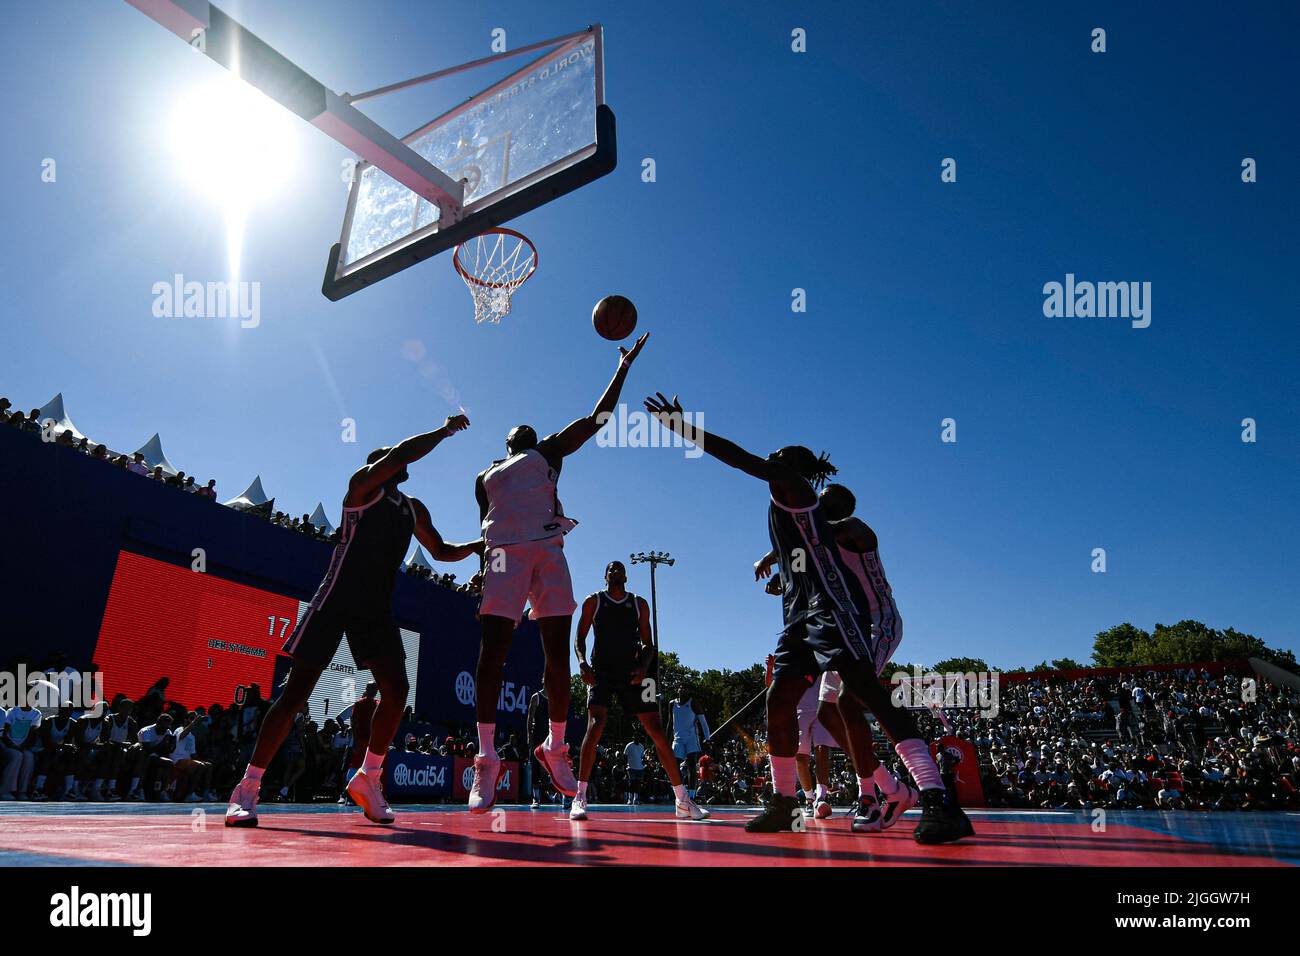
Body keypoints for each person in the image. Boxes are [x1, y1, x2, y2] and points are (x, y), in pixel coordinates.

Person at [642, 392, 970, 843]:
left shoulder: (793, 488)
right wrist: (782, 576)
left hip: (832, 611)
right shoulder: (792, 510)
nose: (772, 457)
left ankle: (934, 798)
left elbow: (743, 460)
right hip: (799, 615)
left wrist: (684, 427)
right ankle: (783, 802)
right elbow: (800, 556)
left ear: (792, 468)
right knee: (780, 701)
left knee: (866, 695)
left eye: (779, 457)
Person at [226, 415, 482, 827]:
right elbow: (400, 453)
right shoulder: (362, 487)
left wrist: (478, 545)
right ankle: (247, 787)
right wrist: (444, 430)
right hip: (336, 599)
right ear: (380, 465)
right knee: (296, 694)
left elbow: (440, 550)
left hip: (375, 609)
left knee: (397, 692)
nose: (396, 461)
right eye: (388, 459)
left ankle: (369, 777)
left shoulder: (412, 508)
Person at [468, 333, 649, 813]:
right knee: (493, 654)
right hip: (504, 554)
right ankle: (486, 759)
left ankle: (556, 746)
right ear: (508, 443)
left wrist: (623, 368)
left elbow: (597, 420)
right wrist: (481, 568)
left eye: (529, 432)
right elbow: (485, 528)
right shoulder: (485, 476)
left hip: (548, 550)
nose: (524, 434)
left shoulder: (548, 453)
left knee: (556, 656)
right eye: (518, 434)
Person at [754, 481, 922, 834]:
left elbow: (807, 534)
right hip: (845, 626)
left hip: (877, 624)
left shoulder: (854, 530)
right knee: (828, 710)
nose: (813, 505)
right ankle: (889, 788)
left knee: (849, 699)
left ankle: (873, 798)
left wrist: (773, 556)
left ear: (837, 506)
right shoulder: (820, 545)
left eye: (821, 501)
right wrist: (784, 579)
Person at [571, 560, 708, 821]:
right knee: (596, 724)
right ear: (604, 575)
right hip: (602, 671)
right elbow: (579, 637)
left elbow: (648, 644)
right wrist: (581, 662)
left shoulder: (638, 604)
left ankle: (682, 800)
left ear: (626, 576)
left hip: (634, 672)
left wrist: (644, 667)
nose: (615, 571)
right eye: (611, 568)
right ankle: (580, 796)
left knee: (656, 729)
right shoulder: (594, 601)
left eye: (620, 568)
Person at [667, 687, 709, 796]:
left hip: (691, 738)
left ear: (688, 691)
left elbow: (703, 722)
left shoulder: (693, 703)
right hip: (678, 739)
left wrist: (707, 738)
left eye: (684, 688)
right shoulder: (672, 703)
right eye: (680, 687)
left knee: (691, 766)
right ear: (677, 690)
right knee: (674, 766)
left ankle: (691, 794)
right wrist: (666, 740)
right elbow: (670, 722)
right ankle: (680, 792)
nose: (682, 689)